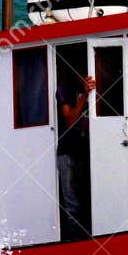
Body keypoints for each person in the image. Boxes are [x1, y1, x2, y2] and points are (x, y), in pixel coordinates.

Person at [56, 71, 96, 240]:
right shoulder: (64, 89)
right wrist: (85, 95)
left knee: (88, 194)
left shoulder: (96, 87)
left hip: (89, 149)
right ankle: (76, 240)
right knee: (72, 201)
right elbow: (70, 120)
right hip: (68, 151)